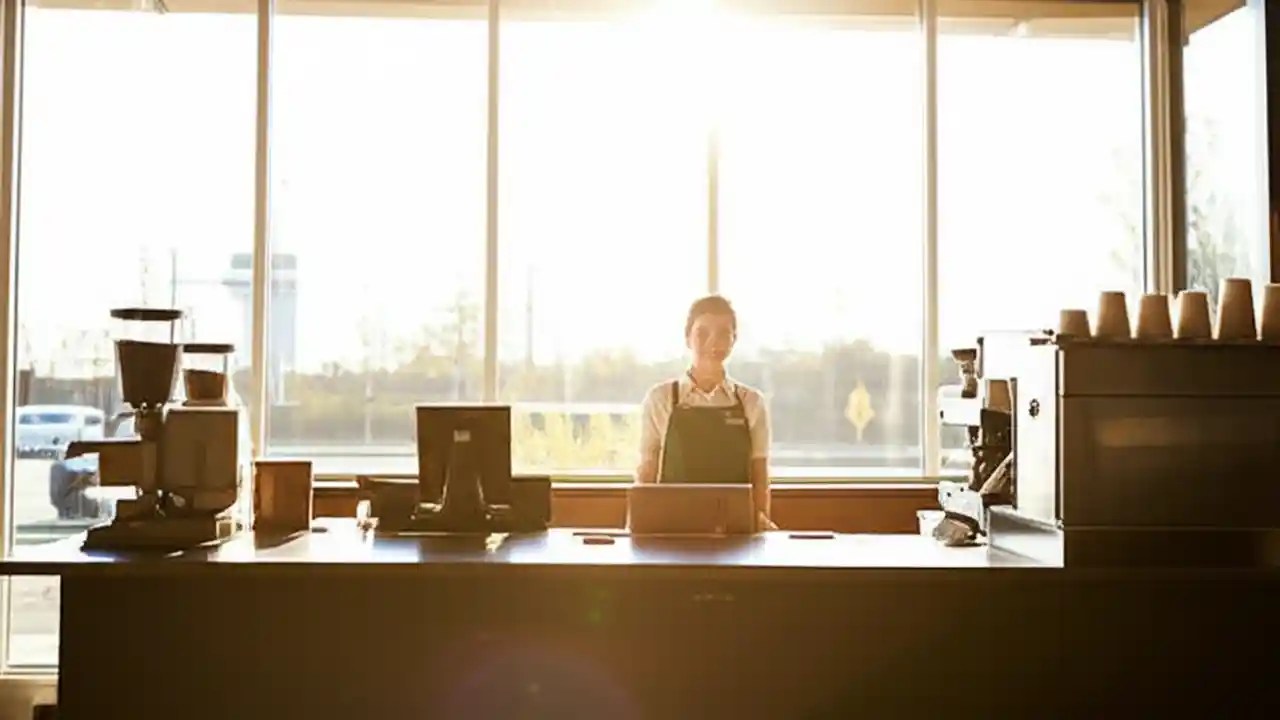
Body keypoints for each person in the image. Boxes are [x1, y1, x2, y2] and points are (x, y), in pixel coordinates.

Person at [635, 295, 775, 531]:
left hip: (735, 532)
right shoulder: (661, 398)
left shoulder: (752, 402)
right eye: (702, 333)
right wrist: (635, 529)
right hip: (671, 530)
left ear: (734, 340)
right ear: (687, 338)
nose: (714, 342)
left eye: (723, 333)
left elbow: (759, 475)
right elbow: (647, 470)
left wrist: (759, 527)